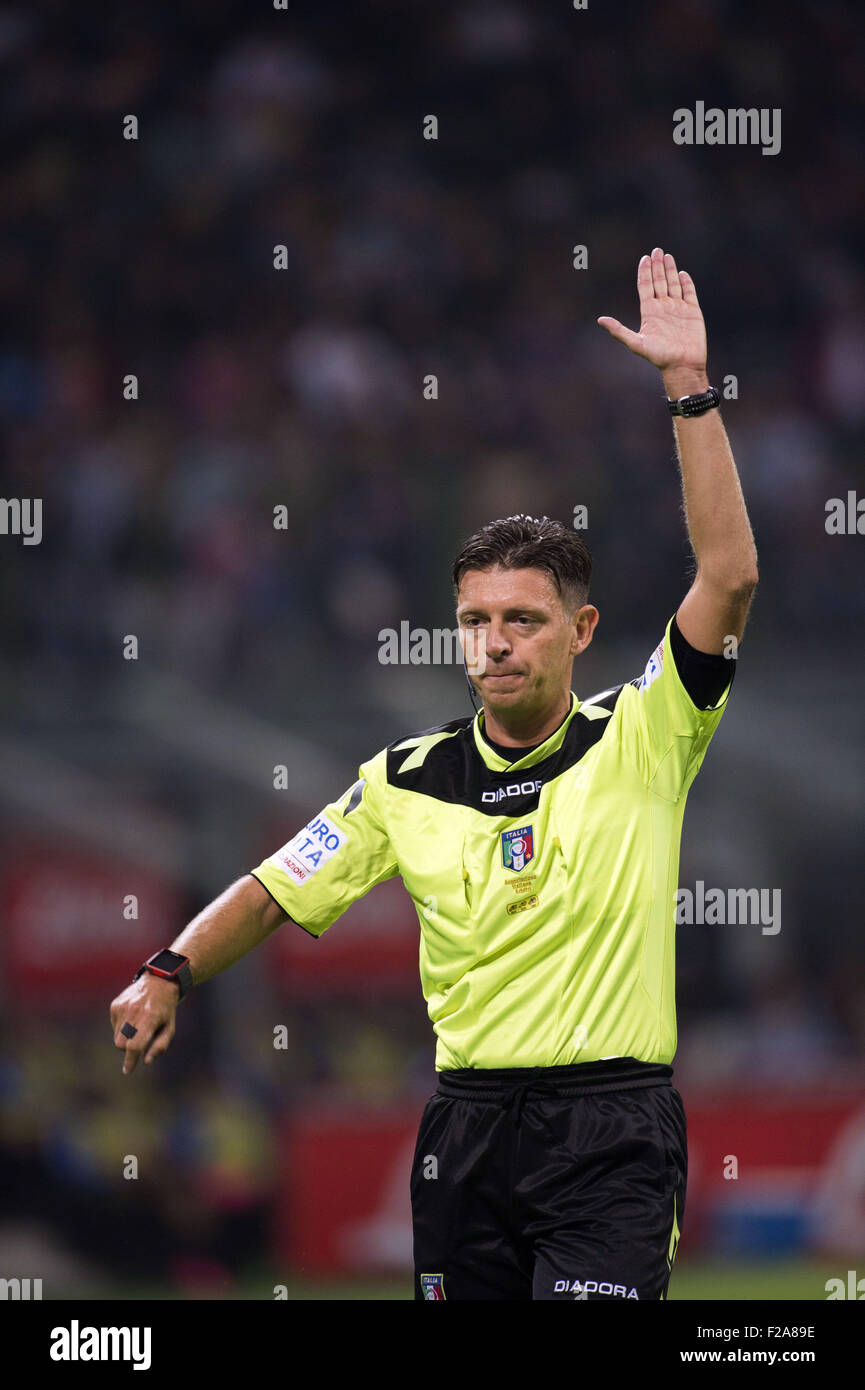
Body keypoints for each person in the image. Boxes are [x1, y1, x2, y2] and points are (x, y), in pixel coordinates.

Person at [110, 247, 758, 1300]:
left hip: (611, 1131)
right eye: (474, 620)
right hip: (463, 1137)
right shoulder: (402, 779)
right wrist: (167, 969)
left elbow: (727, 577)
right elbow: (273, 888)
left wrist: (687, 387)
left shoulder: (645, 733)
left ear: (580, 630)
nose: (494, 642)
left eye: (523, 620)